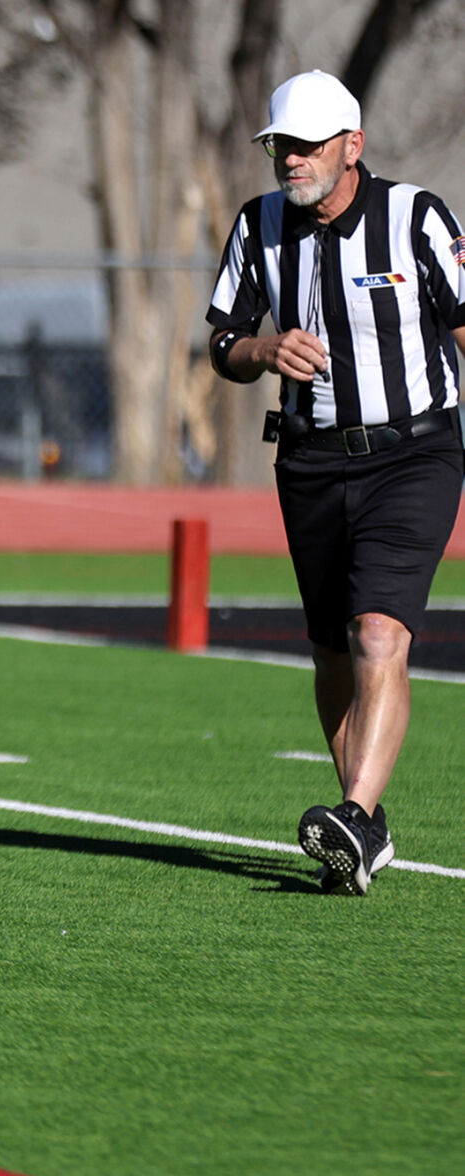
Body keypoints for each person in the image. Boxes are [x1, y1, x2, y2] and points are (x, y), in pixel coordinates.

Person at [207, 69, 465, 895]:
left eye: (307, 145)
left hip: (413, 452)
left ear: (352, 145)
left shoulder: (415, 217)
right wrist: (263, 349)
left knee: (377, 634)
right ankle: (364, 830)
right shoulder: (257, 224)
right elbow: (223, 344)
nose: (290, 159)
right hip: (309, 459)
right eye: (280, 145)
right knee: (329, 651)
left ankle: (351, 812)